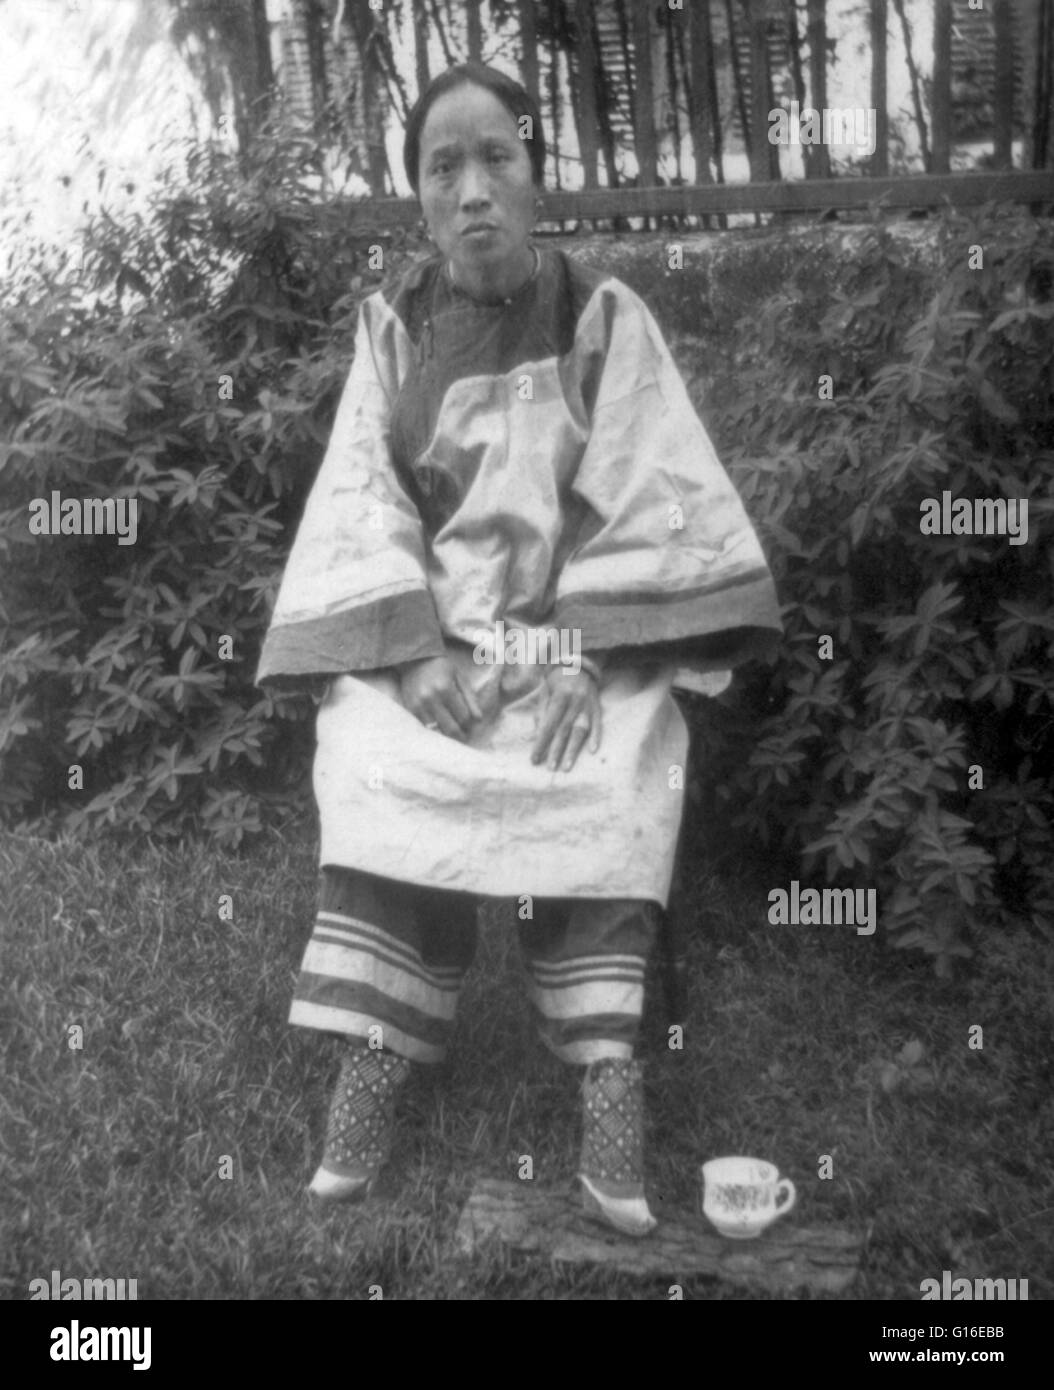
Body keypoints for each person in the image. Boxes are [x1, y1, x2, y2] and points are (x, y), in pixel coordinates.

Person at [256, 62, 782, 1238]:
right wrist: (407, 657)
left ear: (538, 179)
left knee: (622, 755)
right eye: (444, 167)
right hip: (440, 651)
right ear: (420, 201)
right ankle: (379, 1053)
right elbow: (364, 502)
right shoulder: (390, 329)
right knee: (369, 757)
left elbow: (645, 495)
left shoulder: (602, 316)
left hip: (568, 640)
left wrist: (583, 657)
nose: (474, 189)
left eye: (497, 157)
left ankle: (606, 1078)